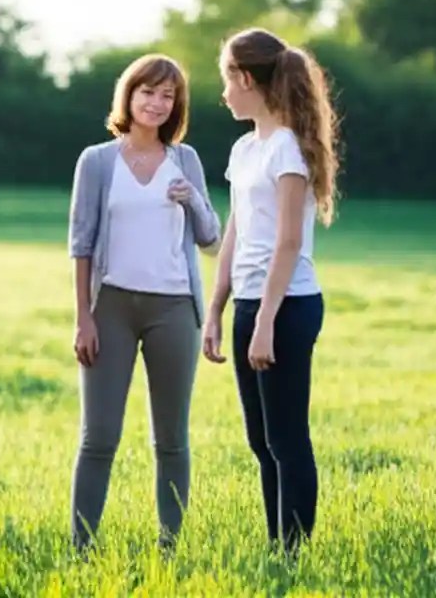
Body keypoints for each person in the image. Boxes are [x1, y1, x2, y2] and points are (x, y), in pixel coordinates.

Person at [66, 53, 221, 552]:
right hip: (109, 308)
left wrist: (192, 199)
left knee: (171, 438)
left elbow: (211, 237)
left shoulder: (186, 159)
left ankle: (169, 546)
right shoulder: (96, 161)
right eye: (147, 92)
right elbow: (81, 243)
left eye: (168, 95)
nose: (157, 103)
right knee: (99, 437)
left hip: (174, 310)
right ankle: (82, 546)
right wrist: (83, 318)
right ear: (128, 96)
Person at [201, 28, 341, 557]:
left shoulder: (287, 147)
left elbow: (287, 242)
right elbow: (237, 230)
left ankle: (294, 555)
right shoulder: (245, 148)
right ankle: (276, 548)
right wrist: (218, 307)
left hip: (288, 307)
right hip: (251, 305)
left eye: (227, 81)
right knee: (260, 442)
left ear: (246, 78)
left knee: (286, 440)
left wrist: (264, 323)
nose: (223, 94)